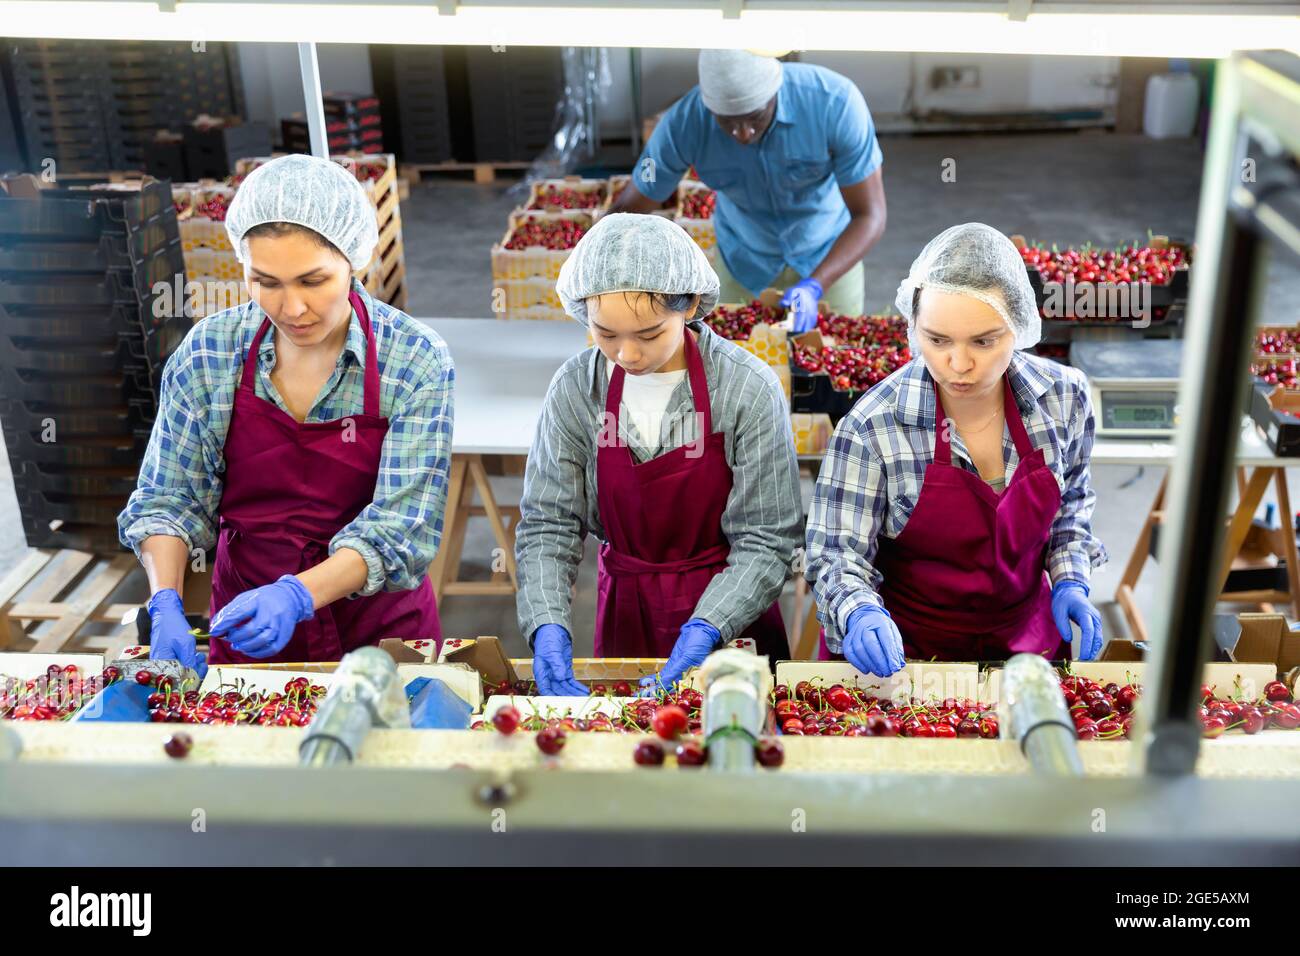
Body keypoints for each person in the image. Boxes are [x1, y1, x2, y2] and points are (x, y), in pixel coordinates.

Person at [118, 154, 453, 672]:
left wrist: (297, 596)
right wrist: (164, 599)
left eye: (313, 280)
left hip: (381, 635)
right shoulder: (211, 353)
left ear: (354, 260)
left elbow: (400, 527)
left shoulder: (412, 360)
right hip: (248, 622)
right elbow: (170, 495)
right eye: (265, 281)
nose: (291, 307)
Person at [515, 213, 801, 695]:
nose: (626, 354)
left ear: (689, 305)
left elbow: (767, 539)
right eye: (605, 334)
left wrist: (709, 625)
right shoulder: (576, 389)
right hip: (628, 610)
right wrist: (547, 623)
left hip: (732, 621)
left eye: (647, 334)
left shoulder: (745, 389)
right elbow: (548, 522)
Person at [804, 223, 1107, 675]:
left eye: (984, 341)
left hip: (1026, 646)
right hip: (903, 656)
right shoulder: (872, 428)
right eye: (938, 340)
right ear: (914, 326)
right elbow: (835, 554)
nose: (959, 364)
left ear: (1020, 326)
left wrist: (1071, 578)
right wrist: (857, 611)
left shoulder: (1064, 400)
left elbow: (1071, 507)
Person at [608, 49, 886, 331]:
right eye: (727, 122)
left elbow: (870, 215)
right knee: (733, 365)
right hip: (743, 262)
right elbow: (638, 194)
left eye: (756, 117)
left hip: (829, 256)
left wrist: (817, 284)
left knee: (830, 361)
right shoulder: (681, 125)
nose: (743, 134)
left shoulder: (836, 104)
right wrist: (607, 258)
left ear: (774, 93)